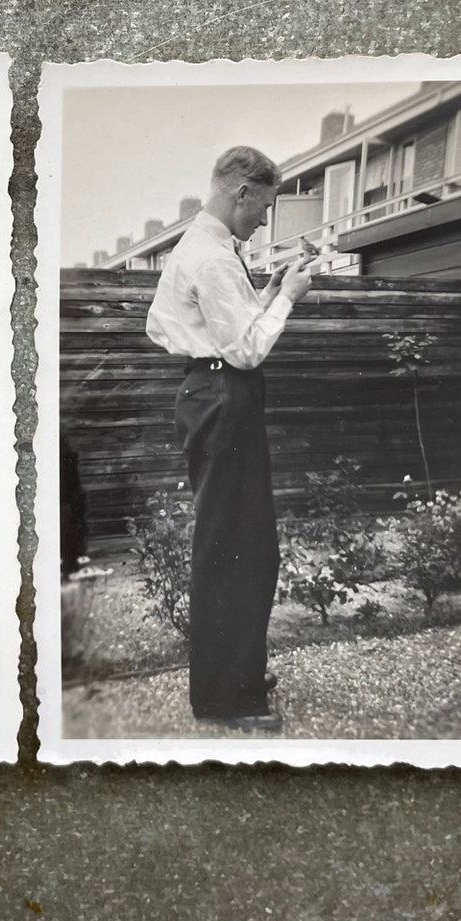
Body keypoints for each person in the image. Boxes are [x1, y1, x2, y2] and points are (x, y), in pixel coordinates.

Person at [146, 146, 314, 733]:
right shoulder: (214, 258)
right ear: (241, 192)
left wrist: (265, 295)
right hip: (224, 395)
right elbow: (245, 349)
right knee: (230, 551)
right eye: (263, 207)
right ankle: (224, 697)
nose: (264, 220)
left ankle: (237, 674)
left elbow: (186, 326)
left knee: (247, 547)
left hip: (211, 393)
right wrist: (289, 299)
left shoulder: (203, 247)